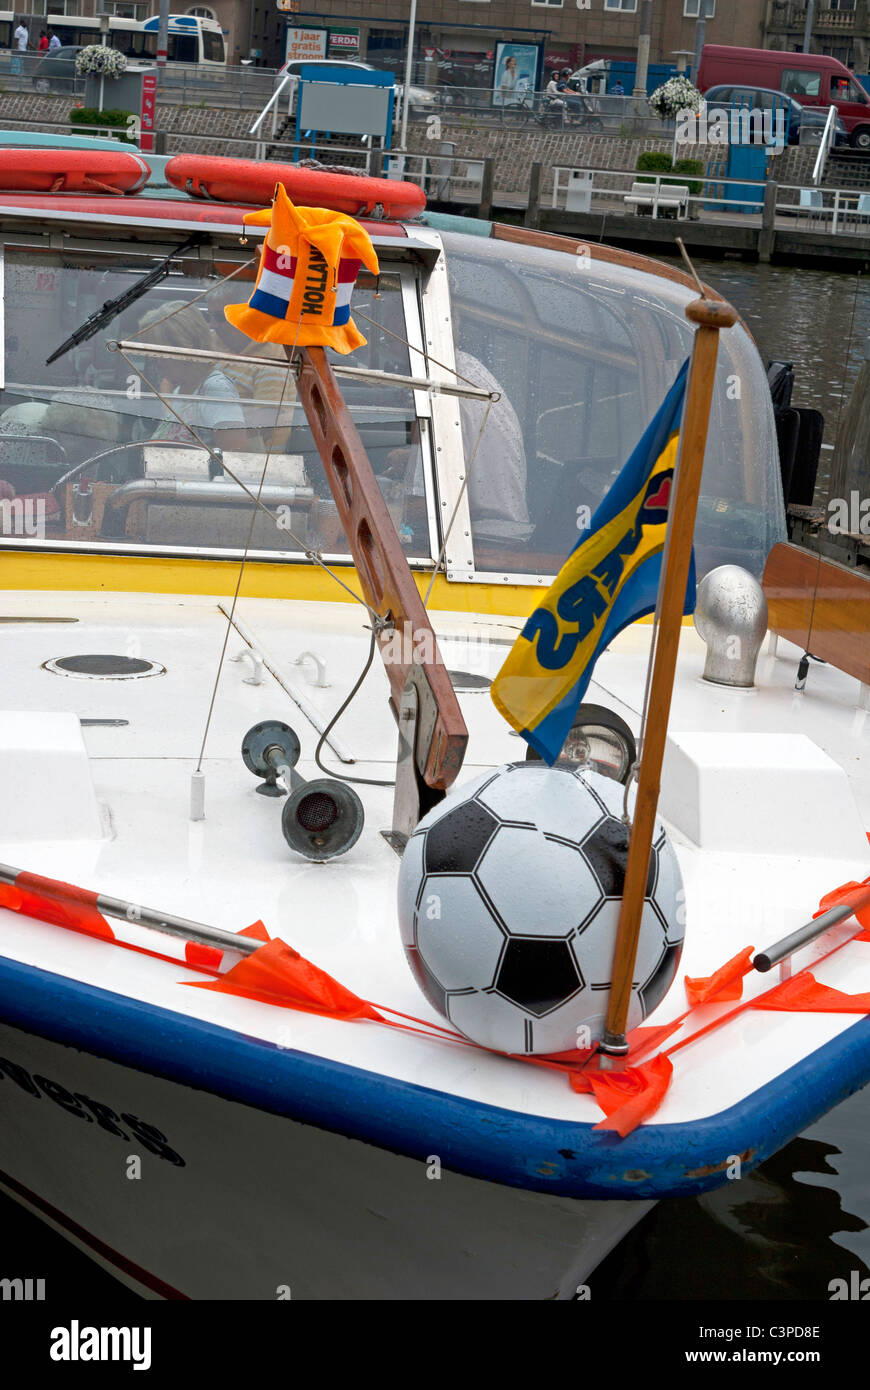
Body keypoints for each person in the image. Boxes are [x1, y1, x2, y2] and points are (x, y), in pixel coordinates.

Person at [133, 300, 248, 452]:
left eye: (158, 353)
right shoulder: (181, 389)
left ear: (185, 349)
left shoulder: (216, 390)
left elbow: (235, 456)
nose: (153, 361)